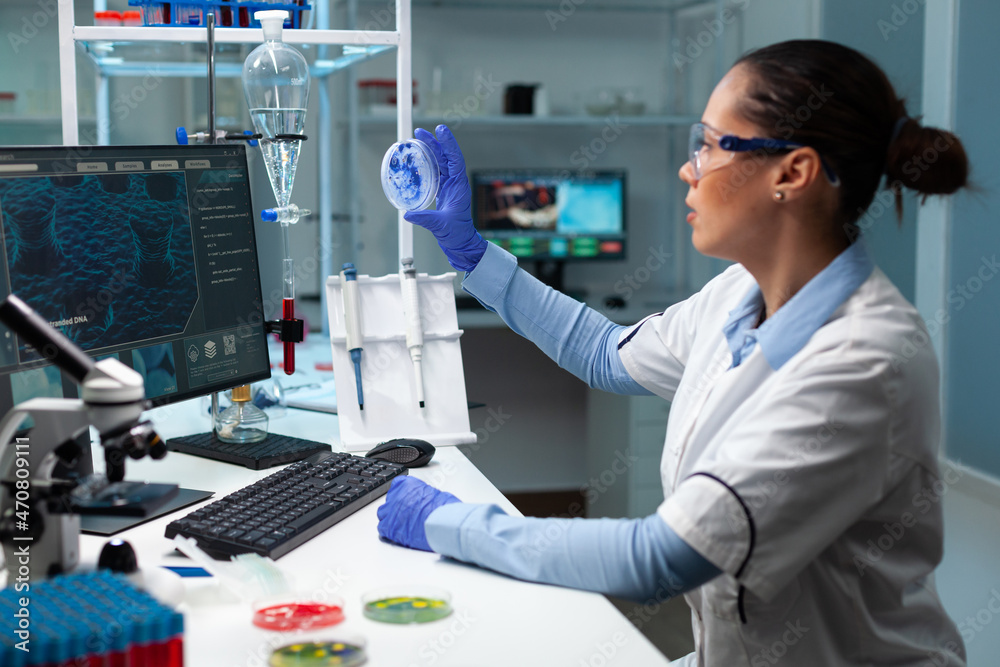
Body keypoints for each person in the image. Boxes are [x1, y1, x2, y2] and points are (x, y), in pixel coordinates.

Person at [376, 39, 969, 666]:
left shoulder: (863, 359)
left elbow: (663, 558)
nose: (689, 169)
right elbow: (603, 351)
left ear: (792, 173)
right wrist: (472, 254)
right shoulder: (739, 293)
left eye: (711, 145)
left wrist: (452, 525)